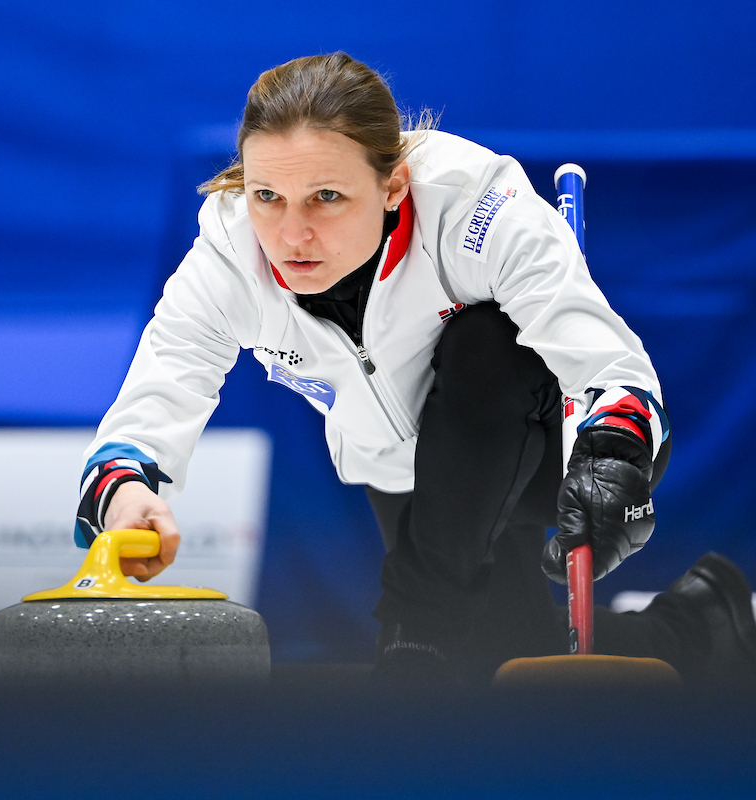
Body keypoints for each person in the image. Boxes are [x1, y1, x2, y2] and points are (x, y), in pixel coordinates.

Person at [72, 52, 756, 682]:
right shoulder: (230, 253)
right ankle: (703, 623)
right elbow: (165, 377)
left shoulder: (478, 207)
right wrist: (123, 488)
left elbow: (602, 356)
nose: (291, 234)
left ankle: (412, 638)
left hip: (551, 447)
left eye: (327, 198)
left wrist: (614, 455)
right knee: (504, 659)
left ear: (393, 183)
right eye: (267, 197)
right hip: (409, 468)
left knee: (486, 337)